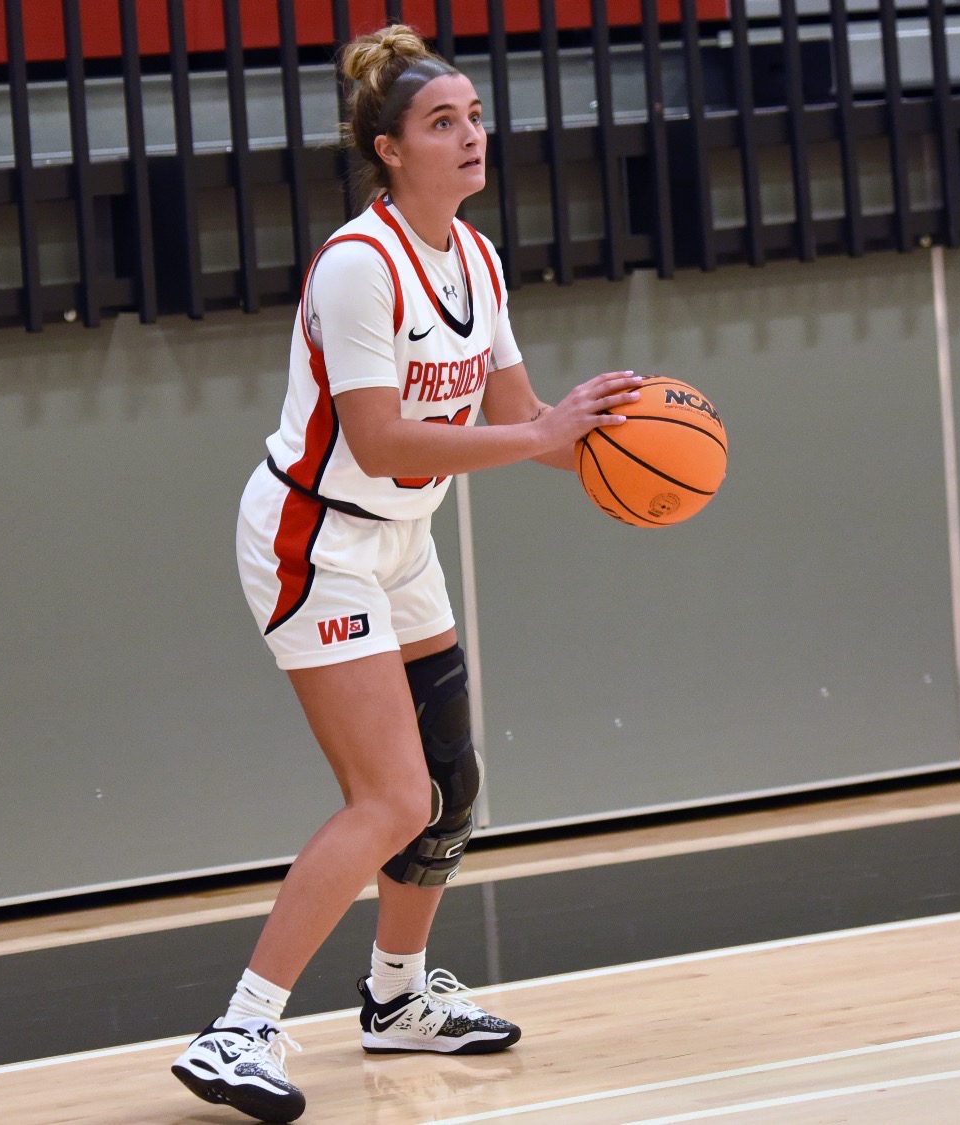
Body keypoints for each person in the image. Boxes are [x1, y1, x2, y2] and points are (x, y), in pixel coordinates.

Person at [168, 22, 644, 1125]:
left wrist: (612, 445)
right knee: (391, 798)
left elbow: (520, 418)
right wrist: (539, 437)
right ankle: (240, 1027)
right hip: (314, 536)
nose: (470, 135)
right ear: (388, 150)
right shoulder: (357, 266)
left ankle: (396, 998)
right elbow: (380, 440)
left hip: (398, 537)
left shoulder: (475, 259)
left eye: (474, 116)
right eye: (442, 122)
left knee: (450, 785)